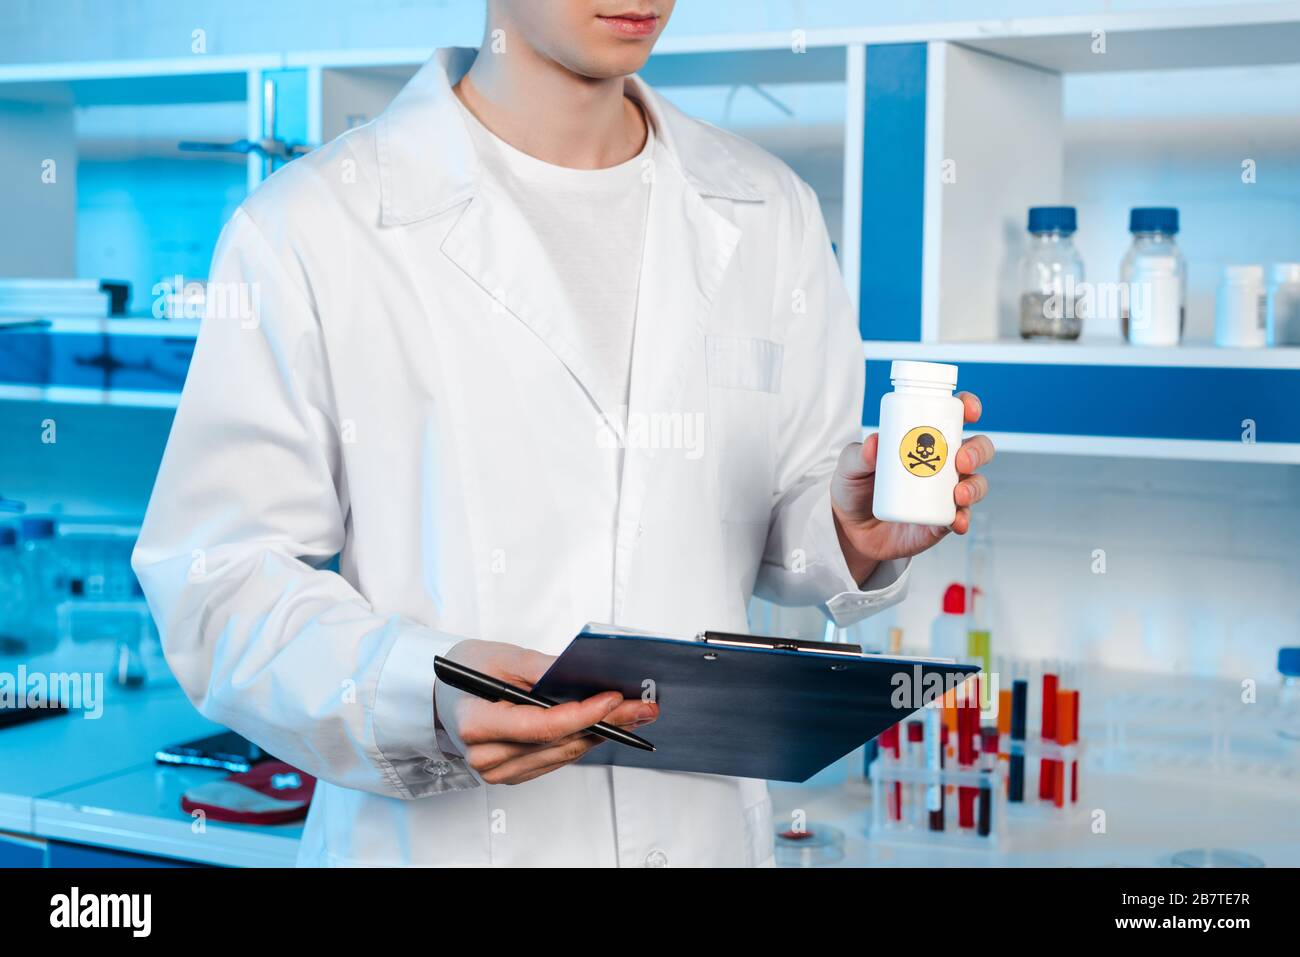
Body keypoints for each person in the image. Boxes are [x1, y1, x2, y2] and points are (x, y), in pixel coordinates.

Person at [133, 0, 994, 867]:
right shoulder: (313, 228)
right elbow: (219, 582)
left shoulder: (770, 210)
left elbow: (777, 517)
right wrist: (426, 691)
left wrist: (846, 529)